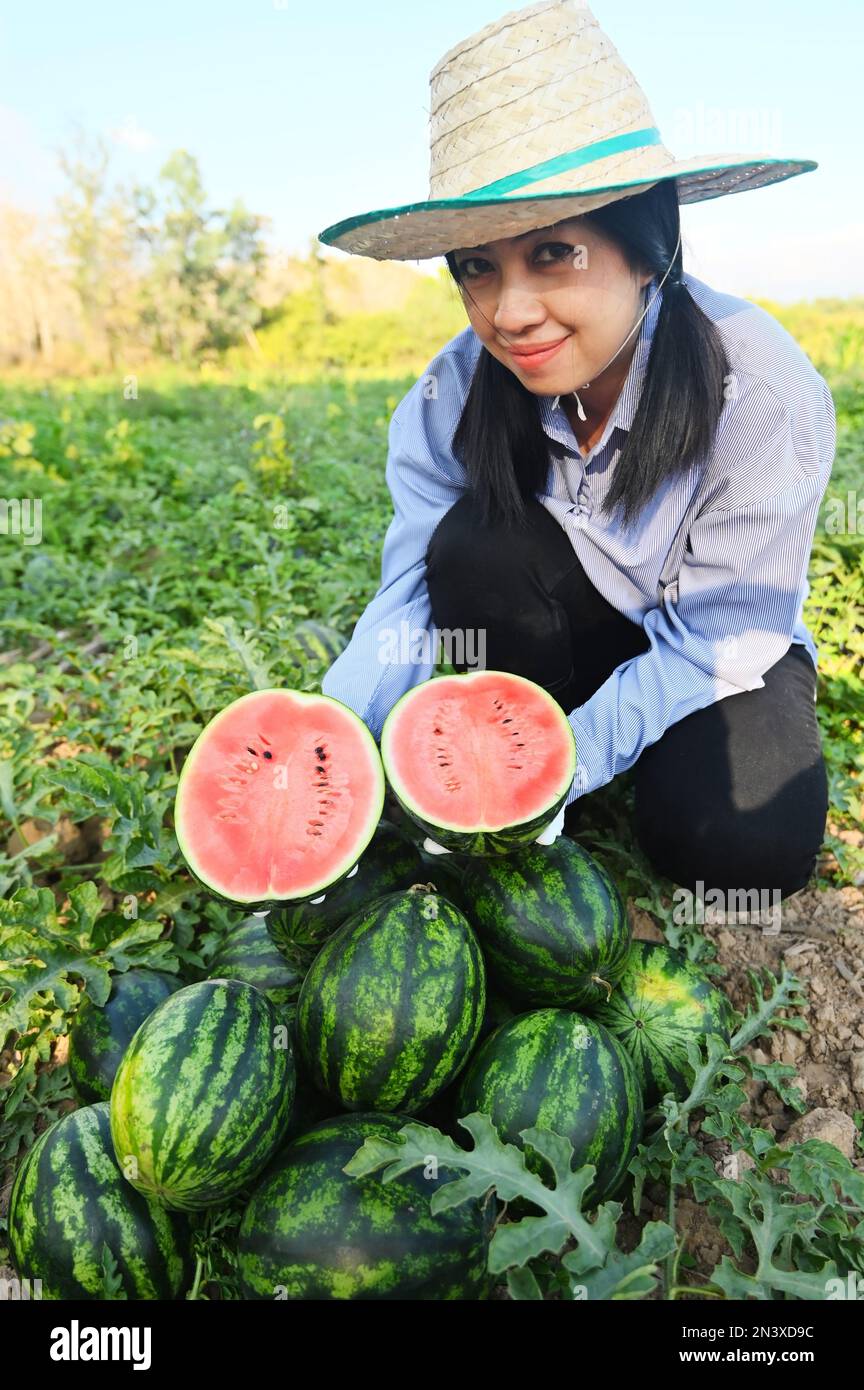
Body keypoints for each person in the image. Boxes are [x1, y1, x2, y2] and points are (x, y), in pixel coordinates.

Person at [317, 0, 836, 903]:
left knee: (744, 843)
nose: (509, 312)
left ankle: (583, 749)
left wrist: (567, 765)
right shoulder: (451, 390)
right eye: (478, 267)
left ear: (647, 250)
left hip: (716, 641)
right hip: (570, 623)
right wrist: (334, 748)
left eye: (554, 253)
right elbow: (407, 592)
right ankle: (533, 719)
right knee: (471, 544)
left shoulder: (760, 388)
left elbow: (721, 633)